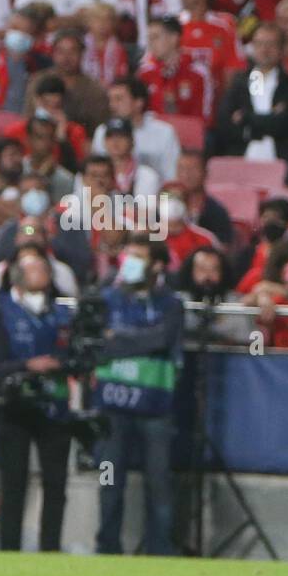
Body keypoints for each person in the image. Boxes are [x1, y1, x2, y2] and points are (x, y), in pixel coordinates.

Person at [94, 233, 184, 556]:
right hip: (111, 404)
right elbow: (99, 343)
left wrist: (119, 338)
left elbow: (162, 339)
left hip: (155, 406)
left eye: (139, 257)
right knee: (109, 482)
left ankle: (161, 551)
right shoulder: (107, 298)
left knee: (158, 484)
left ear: (157, 265)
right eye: (127, 255)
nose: (129, 263)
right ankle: (107, 548)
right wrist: (136, 339)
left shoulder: (172, 305)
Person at [0, 249, 74, 551]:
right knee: (14, 483)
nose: (42, 273)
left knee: (56, 483)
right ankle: (9, 549)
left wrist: (63, 363)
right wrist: (29, 365)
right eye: (34, 268)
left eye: (43, 268)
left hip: (54, 405)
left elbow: (75, 355)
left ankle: (50, 549)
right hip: (14, 405)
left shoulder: (62, 314)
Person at [212, 21, 288, 161]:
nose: (264, 50)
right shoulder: (239, 82)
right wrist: (268, 119)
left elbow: (284, 125)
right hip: (240, 157)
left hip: (280, 159)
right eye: (259, 44)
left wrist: (246, 118)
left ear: (281, 49)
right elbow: (225, 123)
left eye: (271, 44)